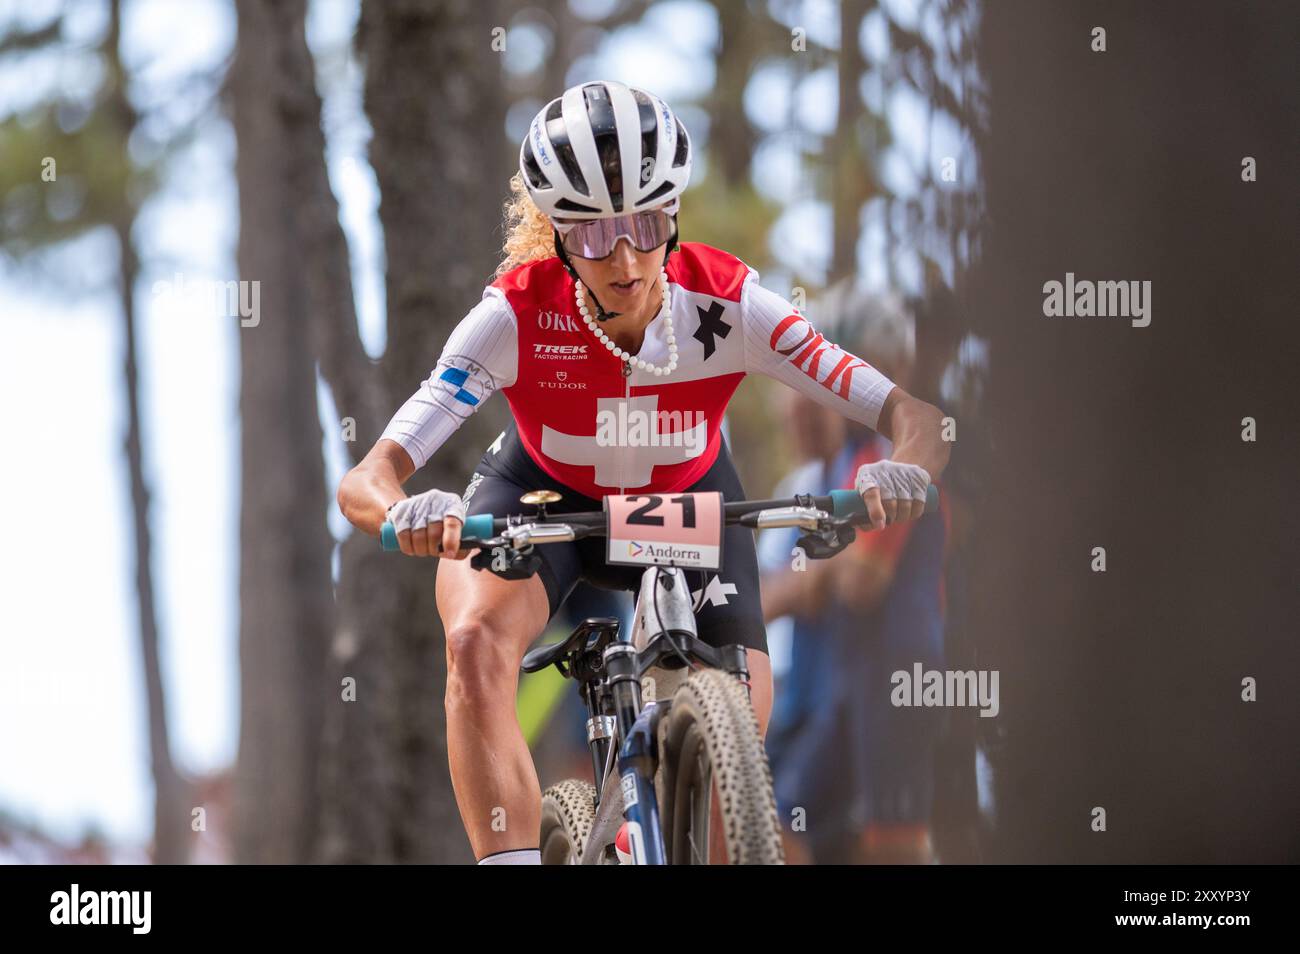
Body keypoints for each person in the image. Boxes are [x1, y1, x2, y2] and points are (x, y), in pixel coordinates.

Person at [336, 80, 949, 864]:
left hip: (688, 502)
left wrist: (899, 471)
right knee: (473, 644)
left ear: (675, 215)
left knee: (736, 771)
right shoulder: (514, 314)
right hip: (542, 496)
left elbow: (915, 417)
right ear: (556, 236)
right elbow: (368, 475)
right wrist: (404, 510)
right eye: (593, 237)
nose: (625, 260)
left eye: (648, 224)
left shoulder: (731, 306)